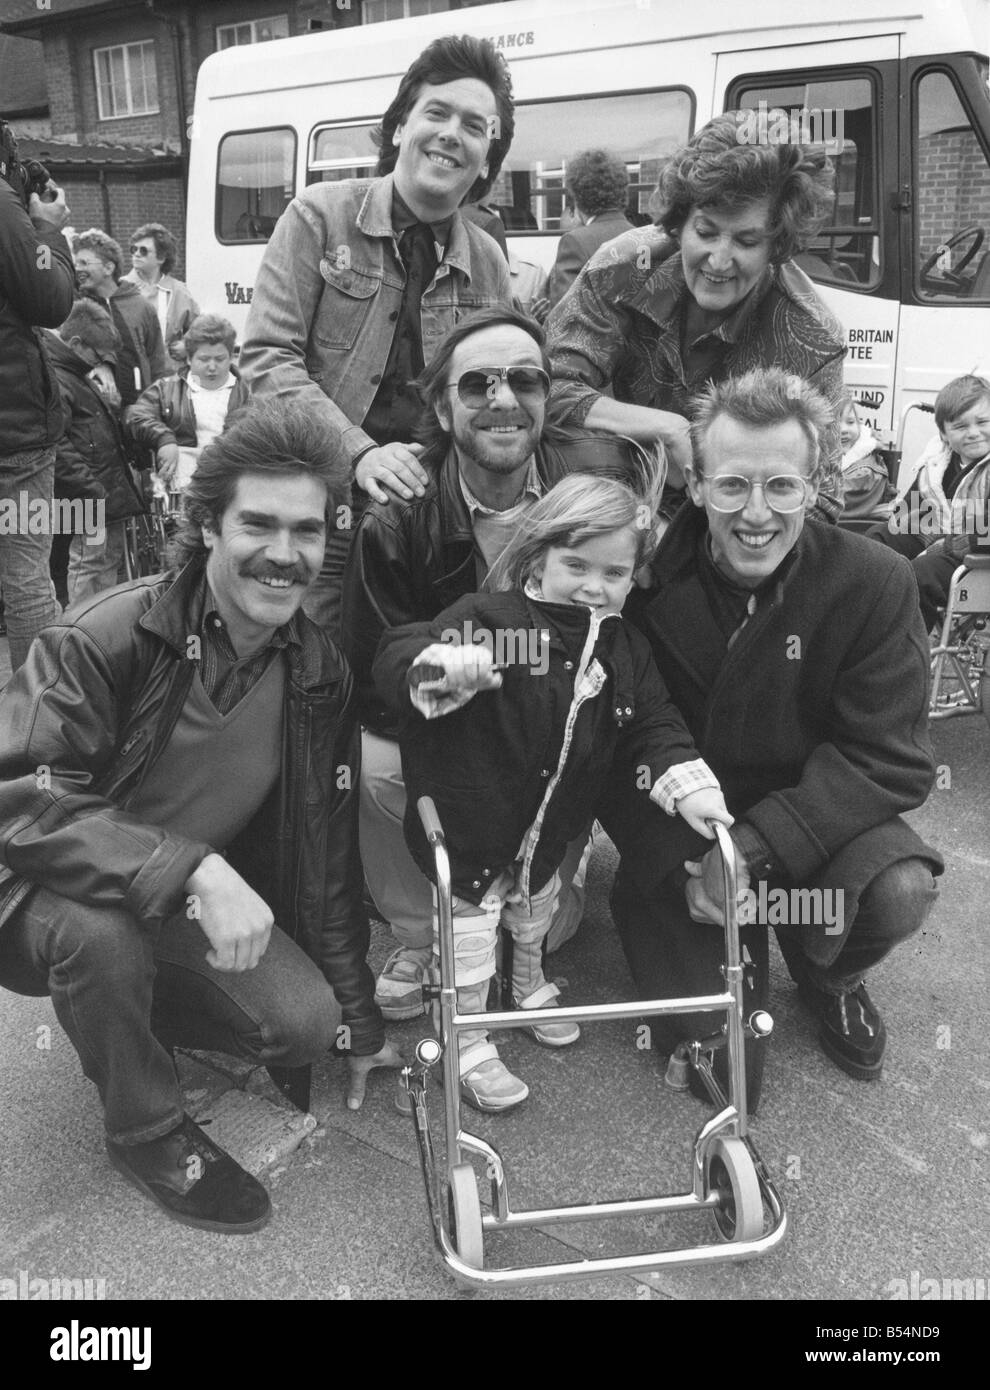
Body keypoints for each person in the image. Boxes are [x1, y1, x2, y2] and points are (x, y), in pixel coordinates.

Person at [0, 400, 400, 1234]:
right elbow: (24, 798)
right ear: (208, 525)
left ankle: (121, 1015)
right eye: (258, 523)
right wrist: (196, 867)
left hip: (171, 894)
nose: (283, 554)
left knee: (304, 1024)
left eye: (309, 531)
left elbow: (324, 857)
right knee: (97, 937)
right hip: (41, 892)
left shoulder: (317, 668)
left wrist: (358, 1012)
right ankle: (143, 1126)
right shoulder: (104, 634)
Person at [602, 367, 942, 1107]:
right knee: (728, 1073)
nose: (757, 513)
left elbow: (891, 758)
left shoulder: (876, 580)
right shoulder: (640, 582)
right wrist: (701, 865)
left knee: (901, 890)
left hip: (812, 826)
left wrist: (755, 853)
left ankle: (829, 971)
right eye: (732, 486)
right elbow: (617, 743)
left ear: (815, 486)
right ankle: (731, 936)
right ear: (696, 487)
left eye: (781, 486)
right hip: (690, 835)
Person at [373, 464, 732, 1111]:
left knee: (534, 909)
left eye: (614, 574)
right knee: (470, 939)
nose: (595, 587)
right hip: (472, 825)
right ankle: (470, 1035)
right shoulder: (494, 617)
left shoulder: (624, 648)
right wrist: (440, 668)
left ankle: (527, 979)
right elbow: (404, 648)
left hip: (547, 827)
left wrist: (687, 783)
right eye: (578, 566)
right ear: (539, 560)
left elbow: (654, 720)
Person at [342, 305, 647, 1026]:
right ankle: (424, 931)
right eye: (477, 383)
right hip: (450, 725)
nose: (503, 399)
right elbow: (376, 670)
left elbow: (628, 630)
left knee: (551, 935)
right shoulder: (397, 517)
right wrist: (460, 697)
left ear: (547, 397)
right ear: (444, 410)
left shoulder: (594, 489)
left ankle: (527, 900)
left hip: (556, 724)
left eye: (525, 381)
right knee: (370, 761)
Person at [239, 34, 516, 636]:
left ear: (487, 159)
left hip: (428, 519)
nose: (451, 133)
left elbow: (500, 388)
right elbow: (266, 359)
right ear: (398, 129)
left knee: (409, 685)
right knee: (310, 677)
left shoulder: (490, 263)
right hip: (318, 502)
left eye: (474, 126)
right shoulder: (318, 215)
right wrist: (360, 454)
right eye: (435, 113)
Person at [545, 113, 847, 511]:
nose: (719, 261)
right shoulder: (621, 269)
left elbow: (822, 499)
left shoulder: (812, 338)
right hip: (608, 504)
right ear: (678, 223)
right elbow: (544, 387)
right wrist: (667, 429)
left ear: (777, 245)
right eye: (705, 232)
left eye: (747, 240)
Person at [0, 124, 75, 670]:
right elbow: (49, 301)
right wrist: (47, 230)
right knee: (27, 580)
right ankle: (39, 720)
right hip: (12, 429)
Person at [44, 300, 146, 602]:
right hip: (90, 493)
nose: (100, 362)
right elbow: (57, 445)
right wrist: (90, 488)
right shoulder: (61, 378)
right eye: (98, 355)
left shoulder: (74, 374)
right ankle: (78, 630)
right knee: (89, 561)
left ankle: (100, 626)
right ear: (76, 343)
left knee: (106, 559)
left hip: (101, 491)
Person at [872, 375, 990, 630]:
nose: (973, 433)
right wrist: (894, 528)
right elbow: (911, 511)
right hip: (939, 539)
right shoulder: (937, 465)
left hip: (976, 559)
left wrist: (939, 548)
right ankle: (859, 626)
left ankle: (902, 651)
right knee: (875, 543)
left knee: (919, 574)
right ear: (944, 434)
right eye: (960, 427)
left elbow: (984, 535)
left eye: (982, 422)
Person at [126, 313, 250, 496]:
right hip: (182, 488)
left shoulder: (249, 393)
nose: (212, 366)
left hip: (232, 486)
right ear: (189, 359)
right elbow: (134, 415)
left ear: (231, 357)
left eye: (220, 359)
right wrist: (164, 440)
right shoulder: (166, 389)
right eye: (204, 359)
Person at [72, 228, 168, 408]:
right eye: (76, 264)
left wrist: (160, 404)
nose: (78, 270)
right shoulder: (75, 308)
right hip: (94, 412)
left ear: (108, 267)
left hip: (139, 411)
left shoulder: (141, 306)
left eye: (84, 263)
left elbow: (157, 361)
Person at [547, 148, 634, 308]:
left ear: (577, 197)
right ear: (623, 192)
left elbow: (564, 316)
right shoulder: (645, 239)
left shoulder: (575, 242)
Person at [121, 221, 200, 372]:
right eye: (134, 249)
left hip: (169, 376)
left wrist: (188, 345)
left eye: (144, 251)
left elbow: (200, 328)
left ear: (161, 258)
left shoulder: (179, 291)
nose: (136, 254)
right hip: (131, 373)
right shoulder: (121, 288)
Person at [837, 393, 895, 525]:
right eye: (835, 423)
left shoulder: (865, 471)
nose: (844, 429)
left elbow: (833, 500)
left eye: (850, 422)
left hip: (857, 528)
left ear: (859, 424)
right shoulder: (839, 457)